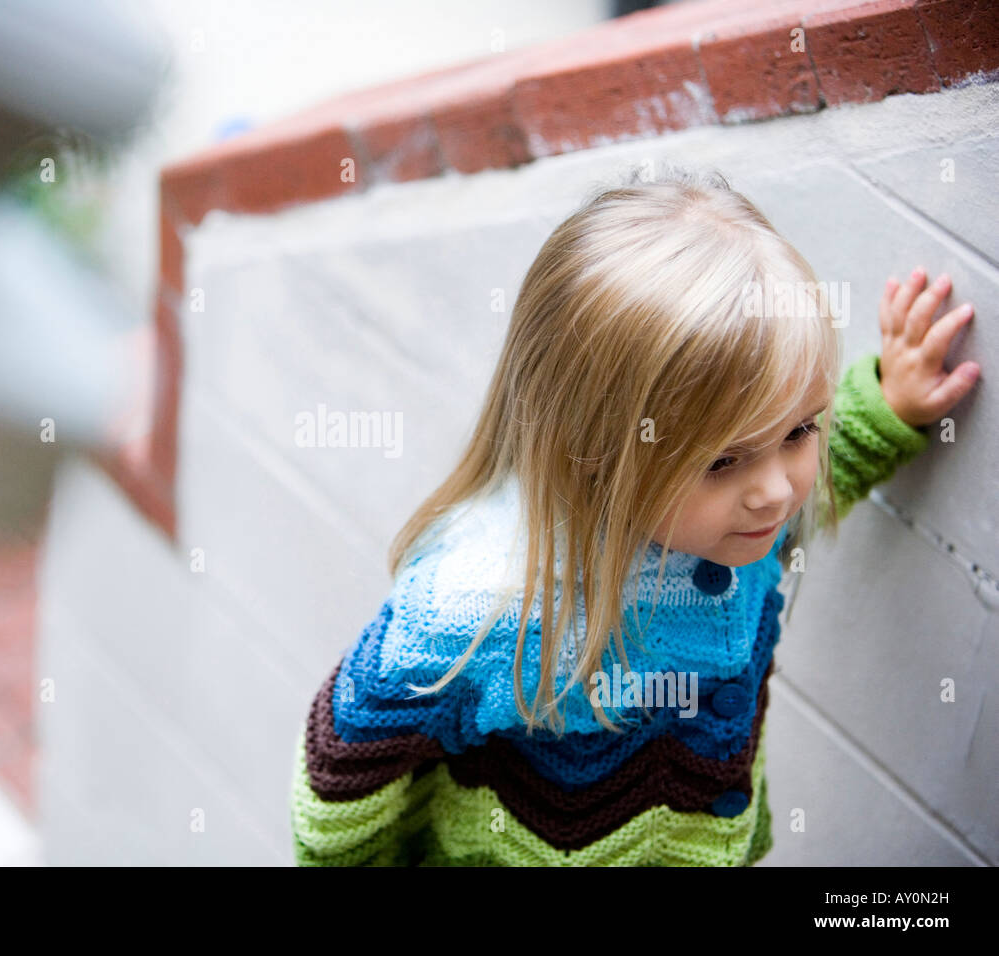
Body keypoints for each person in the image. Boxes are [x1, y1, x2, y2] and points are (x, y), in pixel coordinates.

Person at [288, 164, 981, 866]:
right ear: (596, 453)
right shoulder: (477, 610)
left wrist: (887, 406)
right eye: (722, 461)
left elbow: (816, 486)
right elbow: (339, 785)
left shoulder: (735, 525)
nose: (775, 490)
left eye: (800, 431)